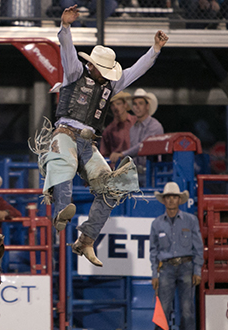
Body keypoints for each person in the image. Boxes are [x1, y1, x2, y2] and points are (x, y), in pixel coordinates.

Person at [35, 4, 167, 266]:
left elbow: (137, 70)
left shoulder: (112, 84)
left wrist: (155, 50)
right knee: (65, 162)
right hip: (65, 133)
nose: (105, 76)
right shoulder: (75, 73)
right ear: (92, 65)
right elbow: (67, 53)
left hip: (88, 141)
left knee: (113, 187)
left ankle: (86, 240)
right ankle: (61, 210)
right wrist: (66, 27)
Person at [148, 182, 203, 330]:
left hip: (186, 267)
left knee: (187, 309)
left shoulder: (190, 220)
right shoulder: (157, 224)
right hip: (166, 268)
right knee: (163, 308)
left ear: (179, 200)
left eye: (174, 197)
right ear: (164, 200)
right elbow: (153, 251)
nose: (171, 200)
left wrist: (197, 270)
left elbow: (198, 247)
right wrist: (154, 274)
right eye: (168, 197)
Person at [122, 88, 164, 179]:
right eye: (135, 104)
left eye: (140, 103)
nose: (137, 107)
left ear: (147, 106)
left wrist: (122, 154)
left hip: (152, 173)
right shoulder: (133, 129)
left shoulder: (155, 126)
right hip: (135, 174)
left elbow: (144, 146)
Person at [99, 91, 137, 167]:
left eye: (118, 104)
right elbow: (104, 154)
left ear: (125, 105)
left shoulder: (136, 122)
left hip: (137, 164)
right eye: (112, 105)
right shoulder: (108, 130)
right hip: (118, 167)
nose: (115, 107)